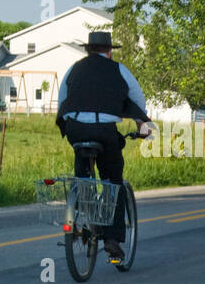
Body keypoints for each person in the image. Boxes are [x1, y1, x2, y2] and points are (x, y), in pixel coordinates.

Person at [55, 31, 154, 264]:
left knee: (83, 173)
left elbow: (62, 100)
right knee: (112, 179)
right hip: (103, 130)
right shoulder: (119, 70)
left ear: (88, 49)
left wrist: (69, 124)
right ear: (109, 50)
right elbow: (137, 100)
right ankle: (112, 239)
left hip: (76, 128)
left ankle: (84, 208)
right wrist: (143, 126)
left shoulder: (74, 68)